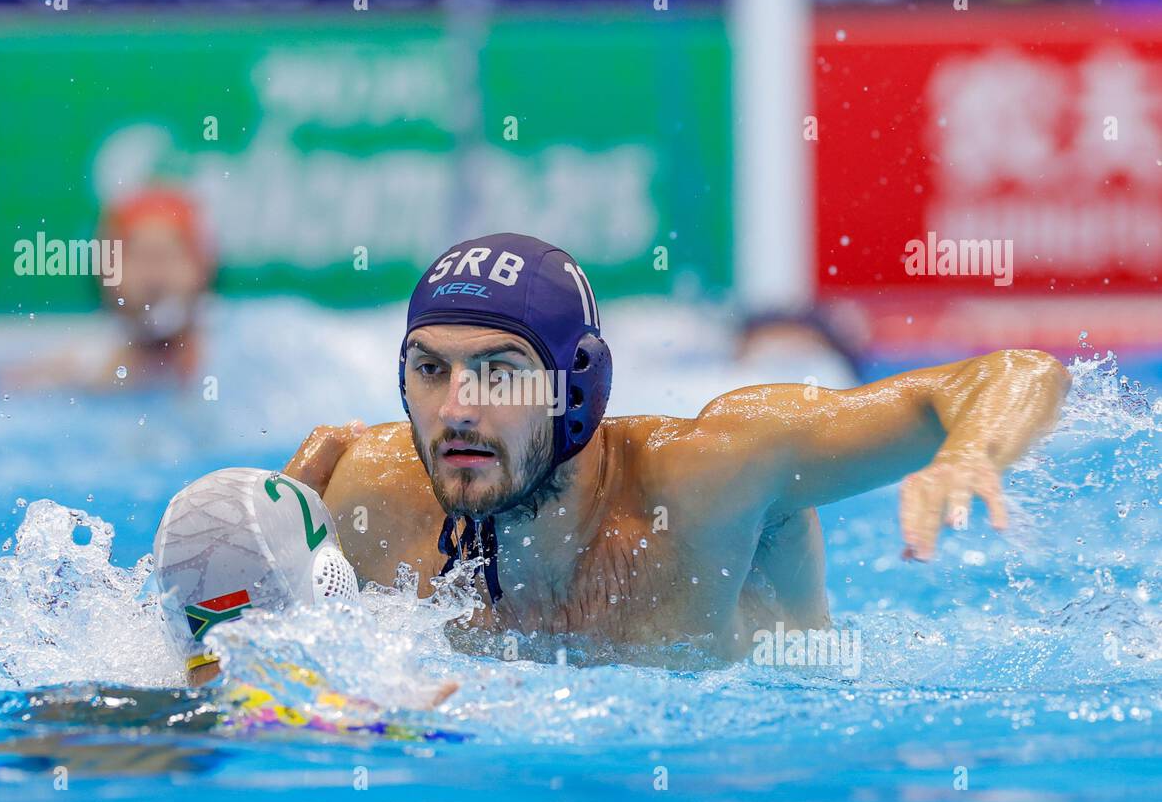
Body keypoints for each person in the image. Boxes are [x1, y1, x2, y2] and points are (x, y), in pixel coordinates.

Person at [283, 233, 1070, 662]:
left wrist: (971, 452)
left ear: (576, 388)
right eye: (430, 370)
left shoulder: (716, 474)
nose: (456, 409)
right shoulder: (373, 499)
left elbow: (1017, 372)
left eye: (499, 372)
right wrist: (261, 543)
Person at [2, 187, 214, 391]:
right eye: (137, 255)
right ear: (106, 273)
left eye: (168, 255)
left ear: (201, 269)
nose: (154, 273)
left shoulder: (232, 353)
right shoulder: (83, 367)